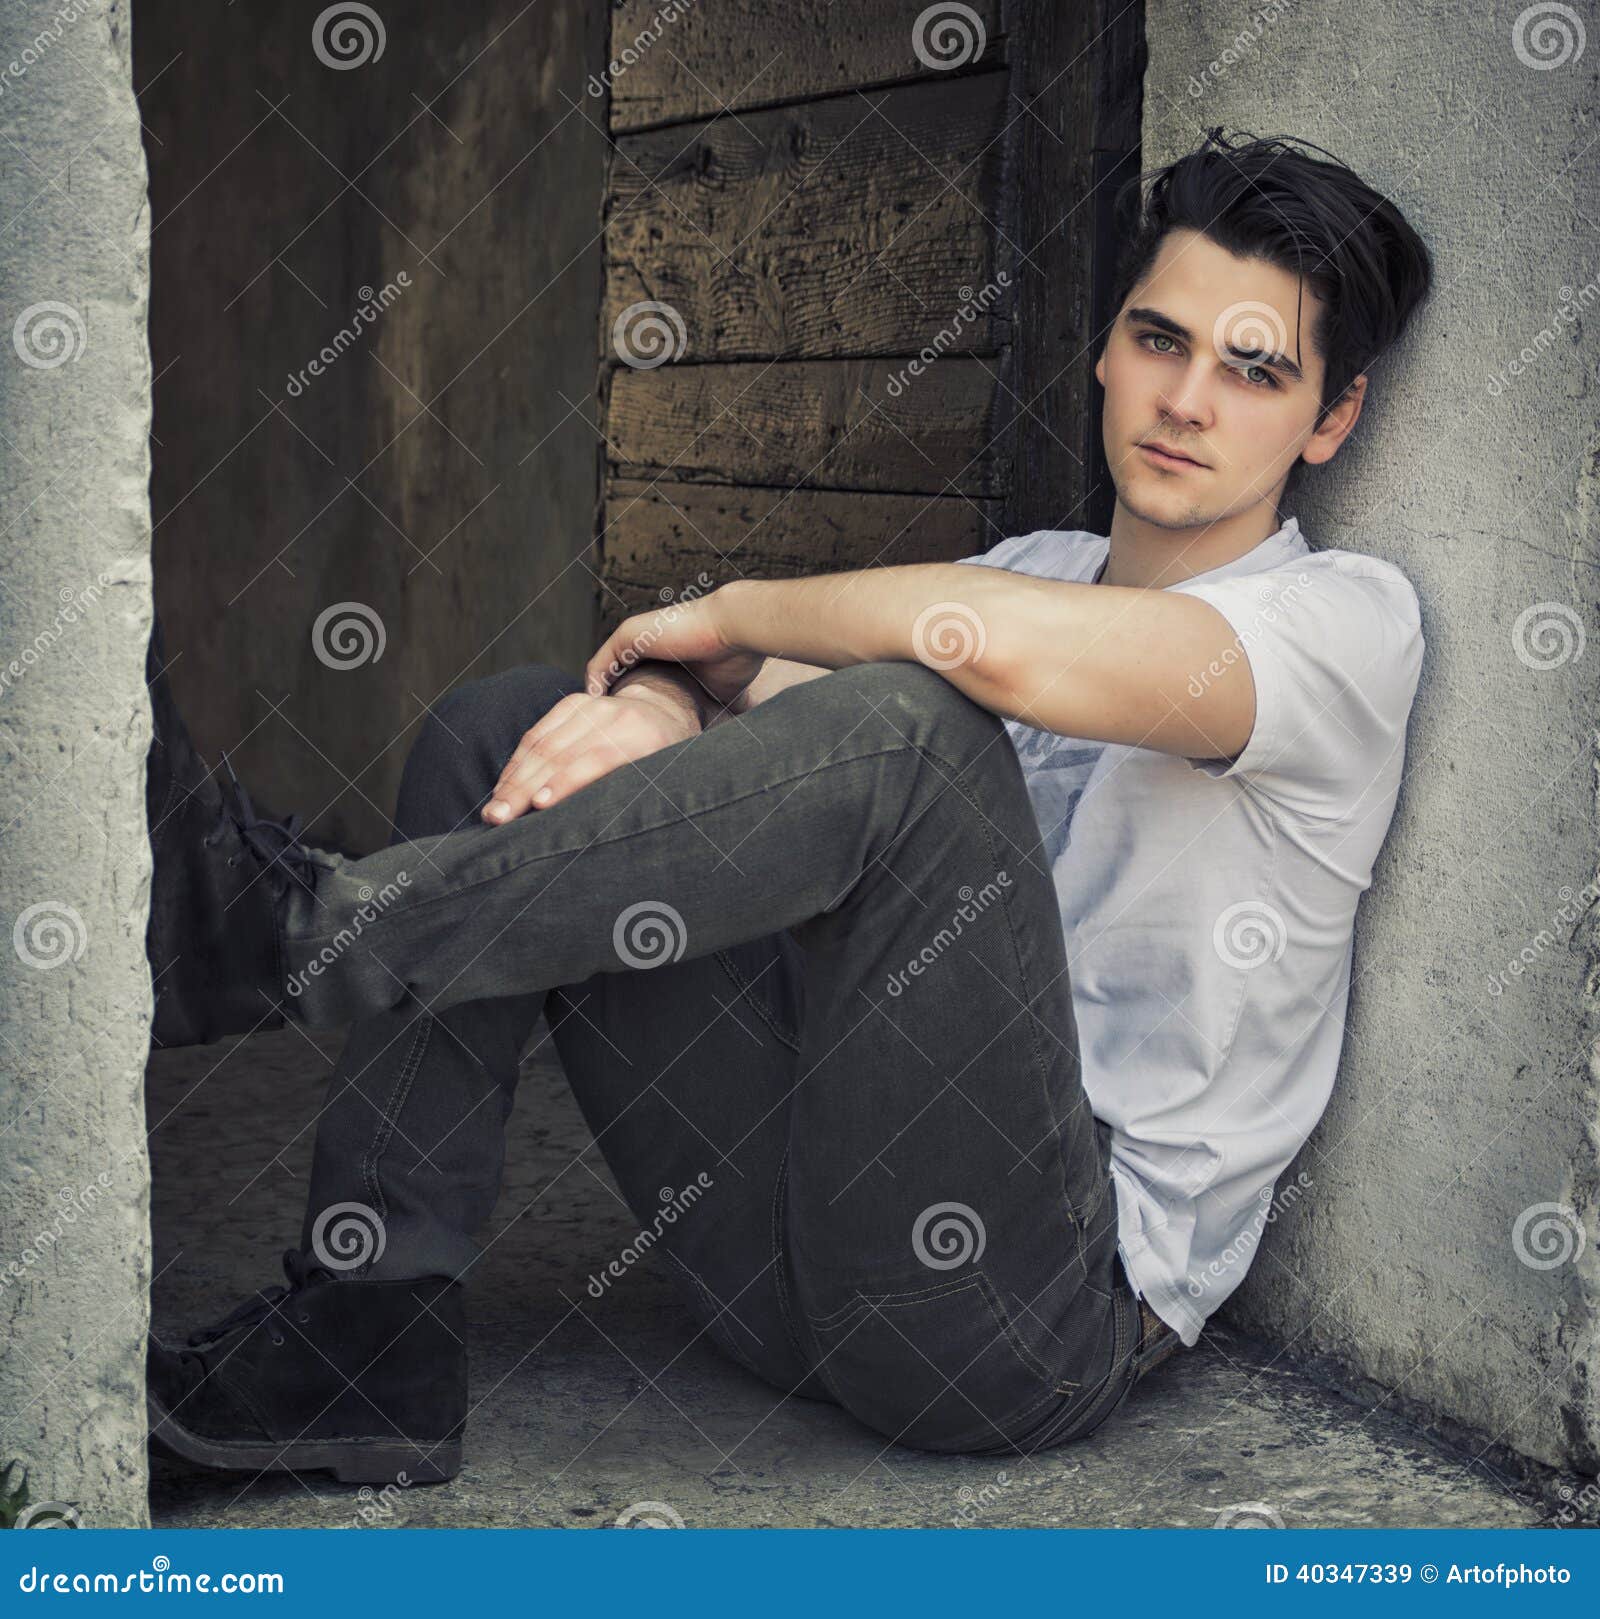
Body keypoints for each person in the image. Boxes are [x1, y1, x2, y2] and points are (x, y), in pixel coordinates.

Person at [144, 129, 1432, 1486]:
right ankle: (363, 1340)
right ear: (1105, 348)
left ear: (1330, 418)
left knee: (917, 729)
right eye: (1160, 341)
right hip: (788, 1256)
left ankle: (291, 936)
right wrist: (666, 698)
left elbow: (948, 663)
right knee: (513, 729)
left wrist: (734, 613)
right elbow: (766, 697)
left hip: (1017, 1320)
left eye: (1255, 370)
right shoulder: (1037, 570)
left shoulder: (1340, 628)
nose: (1187, 399)